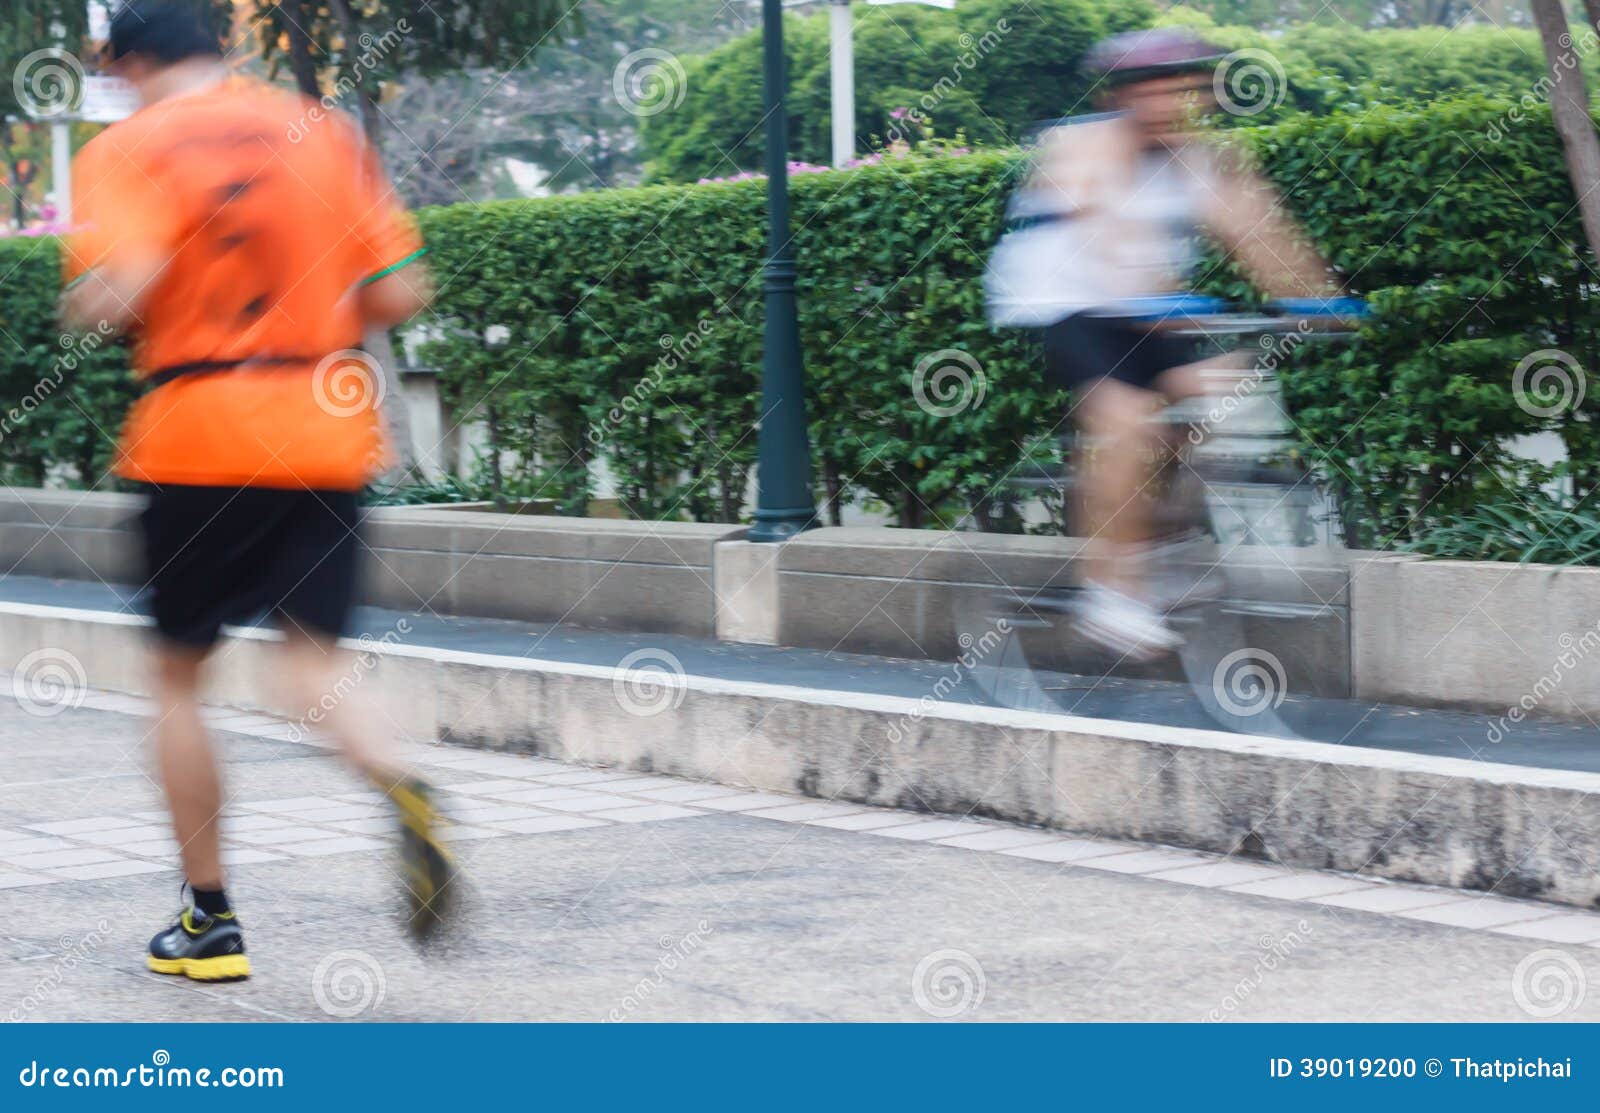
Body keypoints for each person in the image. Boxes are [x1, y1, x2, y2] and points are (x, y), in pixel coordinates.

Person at [60, 1, 450, 982]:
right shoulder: (323, 131)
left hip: (198, 436)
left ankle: (210, 919)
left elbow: (133, 278)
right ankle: (397, 780)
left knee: (178, 681)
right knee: (311, 668)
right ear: (224, 45)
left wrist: (86, 304)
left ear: (124, 62)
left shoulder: (128, 148)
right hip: (326, 422)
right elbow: (401, 291)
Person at [986, 27, 1348, 660]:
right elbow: (1102, 224)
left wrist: (1318, 297)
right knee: (1128, 419)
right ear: (1124, 96)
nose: (1177, 100)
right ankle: (1110, 590)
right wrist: (1150, 284)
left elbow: (1258, 229)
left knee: (1228, 391)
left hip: (1154, 311)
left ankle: (1166, 539)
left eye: (1188, 87)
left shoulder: (1206, 156)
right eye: (1157, 88)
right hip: (1067, 302)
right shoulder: (1080, 142)